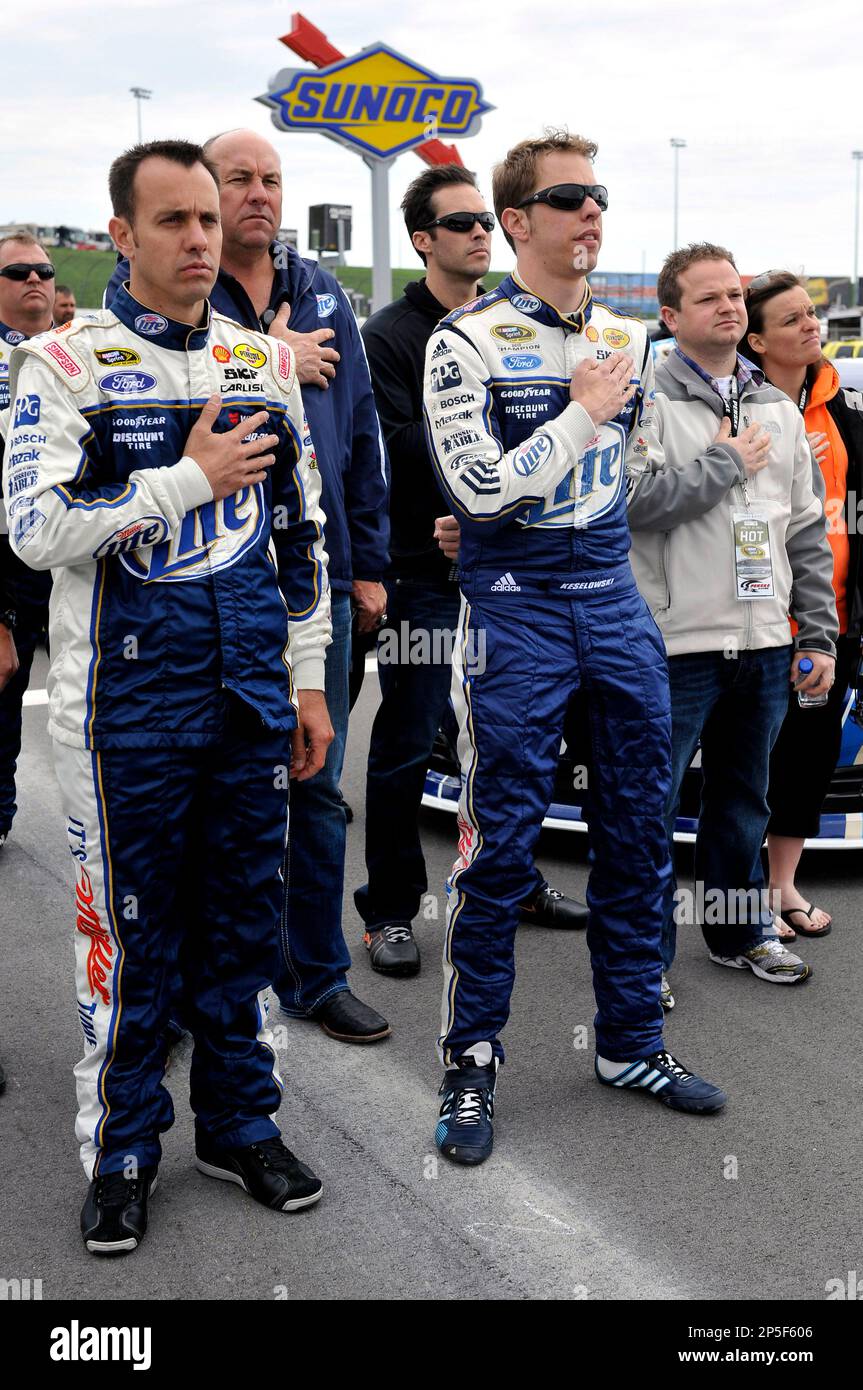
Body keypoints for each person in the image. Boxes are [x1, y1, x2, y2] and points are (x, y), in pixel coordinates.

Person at [4, 139, 332, 1254]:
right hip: (123, 714)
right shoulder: (64, 362)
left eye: (210, 217)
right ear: (124, 238)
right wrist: (186, 479)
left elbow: (302, 538)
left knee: (245, 929)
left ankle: (239, 1126)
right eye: (176, 222)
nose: (202, 237)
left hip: (247, 695)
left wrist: (306, 678)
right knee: (135, 942)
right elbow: (36, 529)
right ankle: (125, 1150)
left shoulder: (263, 361)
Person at [422, 130, 726, 1167]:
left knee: (640, 828)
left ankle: (630, 1043)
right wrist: (574, 412)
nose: (589, 212)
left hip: (611, 596)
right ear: (515, 220)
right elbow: (475, 490)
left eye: (598, 195)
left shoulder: (628, 337)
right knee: (500, 845)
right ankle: (470, 1061)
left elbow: (620, 477)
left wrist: (594, 430)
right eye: (565, 197)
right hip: (513, 605)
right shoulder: (460, 342)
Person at [107, 129, 391, 1044]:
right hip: (179, 605)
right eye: (237, 181)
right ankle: (194, 982)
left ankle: (315, 971)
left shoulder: (324, 295)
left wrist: (368, 562)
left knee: (314, 782)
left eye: (272, 180)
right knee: (192, 803)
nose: (256, 196)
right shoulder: (188, 309)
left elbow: (355, 441)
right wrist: (267, 357)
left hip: (314, 577)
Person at [358, 164, 588, 978]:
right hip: (425, 568)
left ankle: (513, 881)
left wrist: (511, 448)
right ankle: (389, 909)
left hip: (515, 567)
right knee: (407, 740)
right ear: (423, 240)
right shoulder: (388, 335)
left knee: (509, 738)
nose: (477, 235)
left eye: (483, 223)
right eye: (458, 225)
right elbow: (395, 449)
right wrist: (492, 450)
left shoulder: (513, 322)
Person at [627, 244, 838, 1004]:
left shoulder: (777, 409)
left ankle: (739, 933)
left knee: (742, 800)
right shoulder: (637, 392)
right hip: (672, 644)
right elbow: (629, 505)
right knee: (647, 806)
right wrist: (722, 463)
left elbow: (805, 533)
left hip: (763, 645)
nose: (727, 307)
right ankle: (640, 964)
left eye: (734, 296)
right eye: (708, 297)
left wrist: (814, 633)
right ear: (669, 316)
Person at [742, 270, 863, 937]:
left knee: (807, 760)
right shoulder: (733, 405)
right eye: (790, 321)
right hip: (751, 621)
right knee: (750, 762)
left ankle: (783, 887)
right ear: (756, 340)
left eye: (809, 316)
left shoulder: (838, 405)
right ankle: (742, 899)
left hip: (828, 621)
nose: (809, 327)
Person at [0, 233, 56, 852]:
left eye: (43, 269)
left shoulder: (69, 353)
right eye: (18, 271)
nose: (35, 279)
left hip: (64, 553)